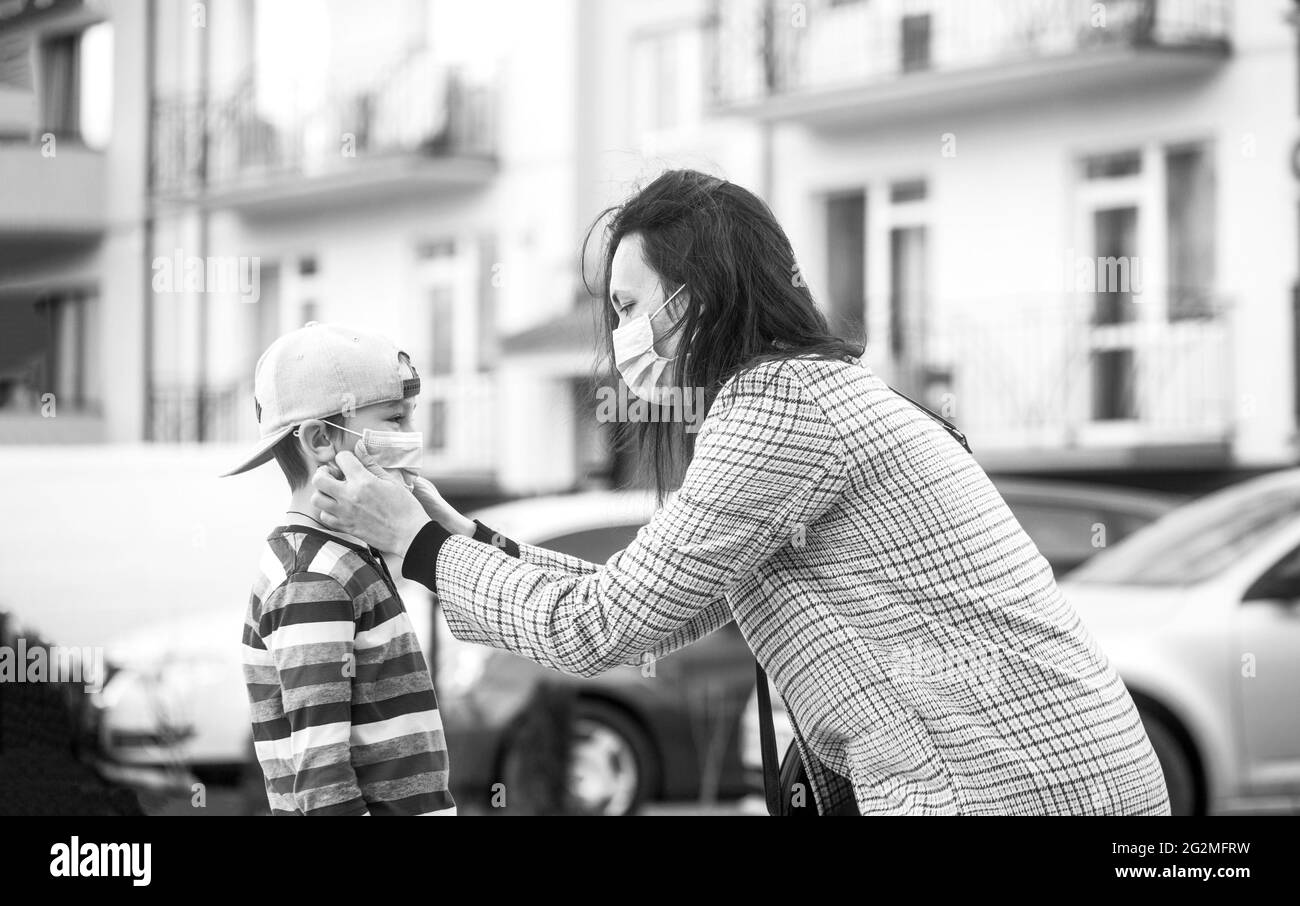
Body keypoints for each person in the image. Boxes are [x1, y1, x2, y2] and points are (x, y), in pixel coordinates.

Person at [311, 170, 1171, 815]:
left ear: (692, 300)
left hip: (1003, 788)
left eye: (627, 304)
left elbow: (600, 627)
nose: (617, 336)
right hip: (1056, 777)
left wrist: (417, 550)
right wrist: (471, 541)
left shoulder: (780, 407)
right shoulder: (810, 391)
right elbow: (662, 605)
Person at [224, 322, 455, 816]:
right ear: (322, 438)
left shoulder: (344, 556)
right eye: (394, 419)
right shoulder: (312, 578)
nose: (410, 436)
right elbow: (323, 780)